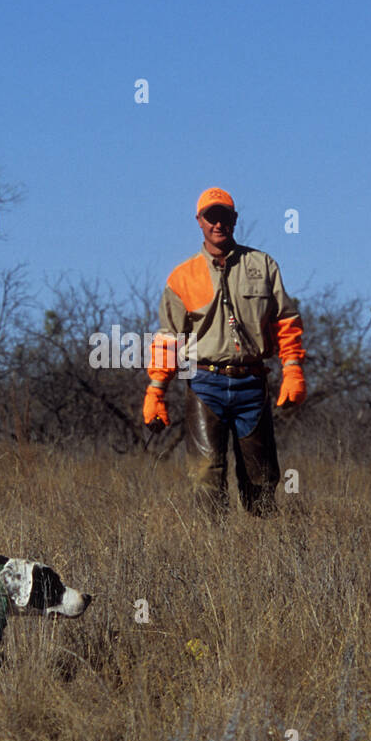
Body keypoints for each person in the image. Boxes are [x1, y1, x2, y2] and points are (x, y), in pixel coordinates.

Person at [144, 187, 306, 516]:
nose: (218, 224)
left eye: (225, 217)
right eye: (211, 217)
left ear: (235, 220)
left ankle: (264, 552)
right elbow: (168, 338)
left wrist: (292, 368)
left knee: (261, 479)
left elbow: (286, 321)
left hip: (252, 384)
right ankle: (212, 556)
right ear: (199, 221)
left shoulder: (262, 265)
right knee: (205, 476)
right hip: (205, 384)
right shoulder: (182, 277)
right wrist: (156, 390)